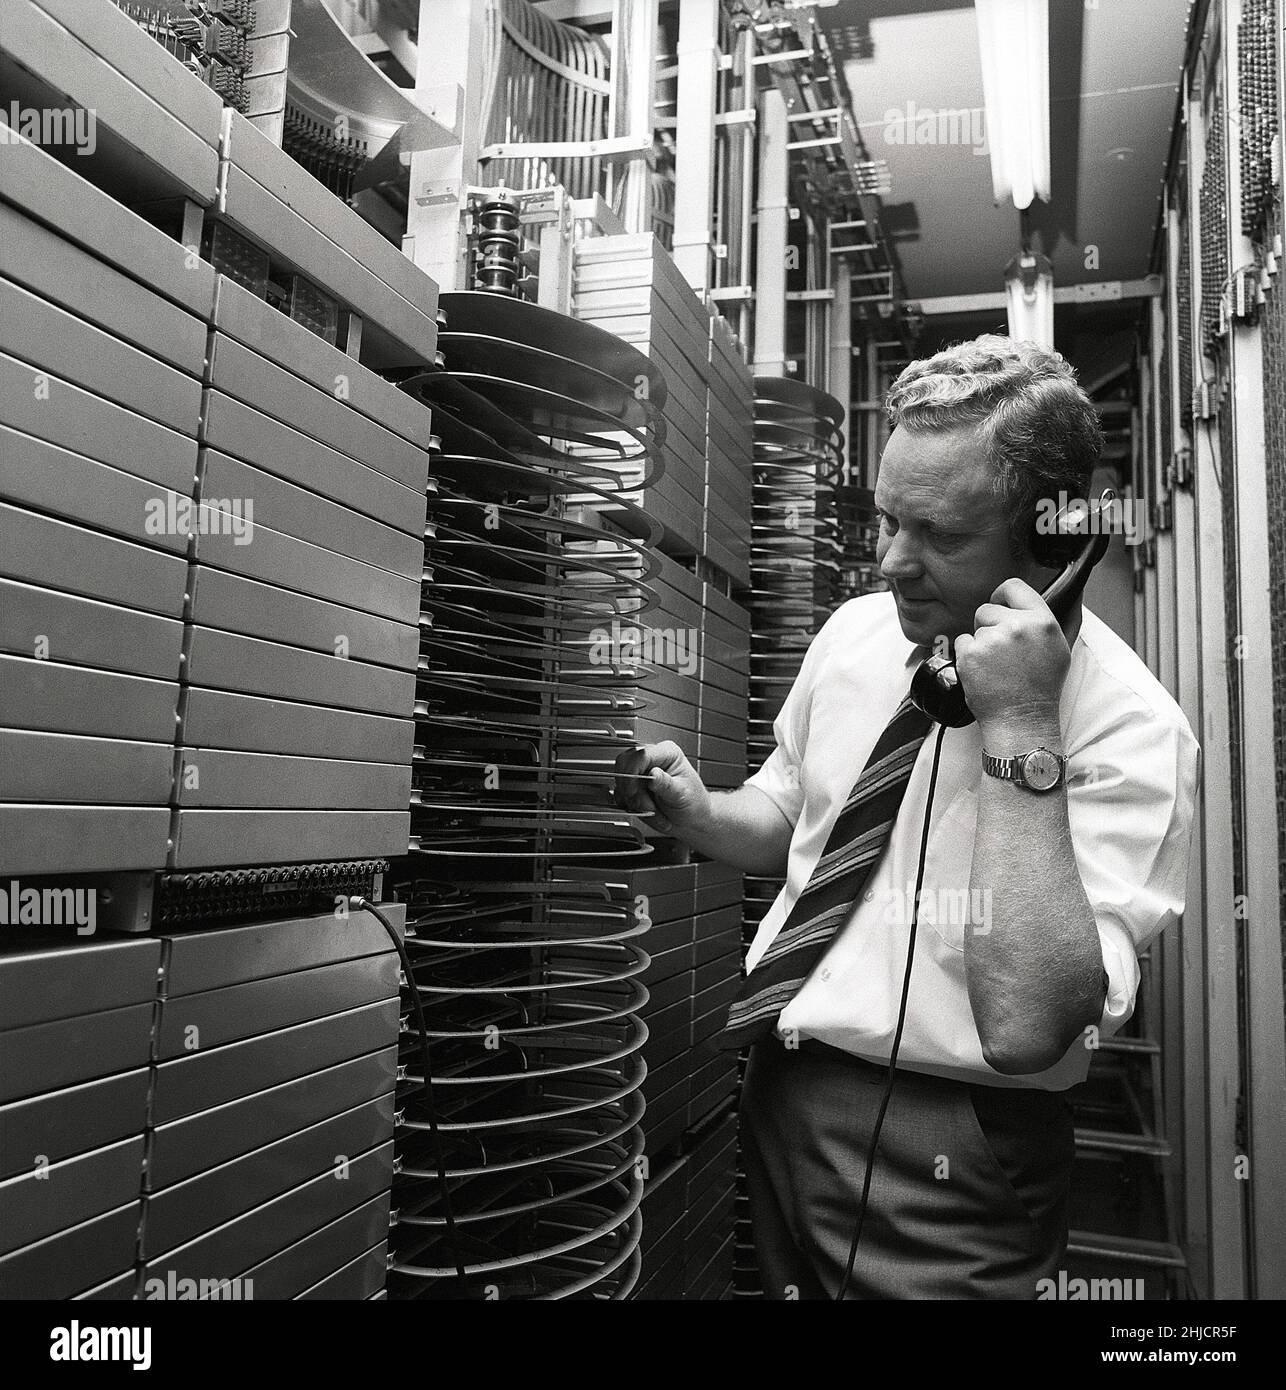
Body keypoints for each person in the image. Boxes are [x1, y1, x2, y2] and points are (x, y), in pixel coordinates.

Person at [615, 336, 1199, 1299]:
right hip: (785, 1090)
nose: (893, 562)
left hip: (960, 1148)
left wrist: (1021, 720)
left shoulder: (1133, 730)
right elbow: (791, 812)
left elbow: (1028, 1025)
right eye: (889, 520)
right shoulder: (856, 634)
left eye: (941, 534)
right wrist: (701, 816)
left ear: (1053, 544)